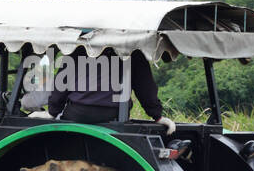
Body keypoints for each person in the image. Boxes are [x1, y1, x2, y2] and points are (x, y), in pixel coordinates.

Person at [30, 46, 175, 134]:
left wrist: (52, 112)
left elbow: (61, 84)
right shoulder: (134, 53)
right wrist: (157, 116)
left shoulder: (80, 49)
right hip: (113, 115)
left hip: (78, 113)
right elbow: (145, 87)